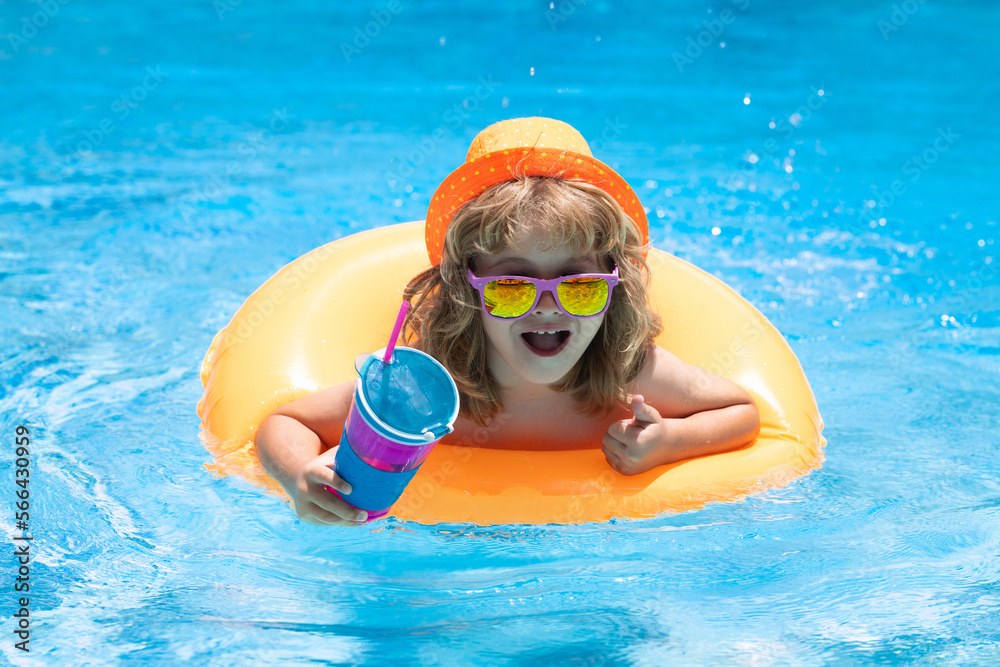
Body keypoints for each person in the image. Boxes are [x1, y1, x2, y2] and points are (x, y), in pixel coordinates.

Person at [254, 117, 760, 526]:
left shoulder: (627, 373)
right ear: (467, 291)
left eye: (578, 286)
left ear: (613, 287)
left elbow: (742, 411)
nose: (547, 306)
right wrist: (299, 472)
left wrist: (671, 442)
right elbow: (286, 422)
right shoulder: (429, 387)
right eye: (513, 288)